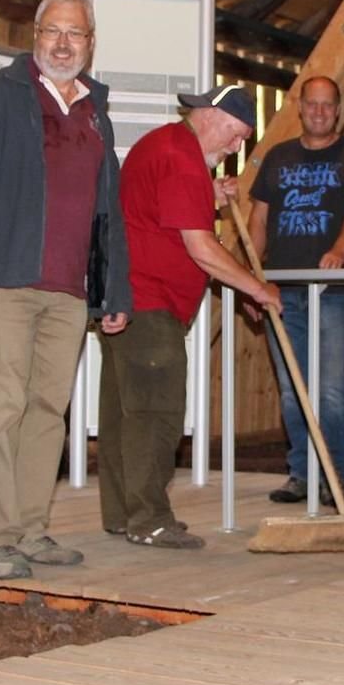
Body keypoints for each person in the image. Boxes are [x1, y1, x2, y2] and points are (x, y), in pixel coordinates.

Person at [0, 0, 130, 581]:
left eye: (76, 35)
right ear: (34, 35)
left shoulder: (96, 111)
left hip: (69, 289)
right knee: (1, 408)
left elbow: (107, 210)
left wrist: (112, 289)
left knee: (48, 410)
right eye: (53, 32)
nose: (63, 44)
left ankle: (31, 530)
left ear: (90, 45)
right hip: (6, 280)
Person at [99, 84, 281, 547]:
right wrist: (256, 289)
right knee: (156, 412)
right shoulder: (181, 160)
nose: (236, 147)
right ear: (208, 115)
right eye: (236, 135)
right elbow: (201, 249)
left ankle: (125, 515)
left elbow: (166, 207)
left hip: (126, 297)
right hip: (150, 303)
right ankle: (150, 520)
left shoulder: (169, 147)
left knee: (126, 412)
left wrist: (209, 191)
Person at [247, 75, 344, 507]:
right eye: (312, 104)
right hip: (283, 291)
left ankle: (333, 474)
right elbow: (259, 221)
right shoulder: (277, 157)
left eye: (328, 105)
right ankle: (301, 472)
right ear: (299, 107)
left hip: (334, 290)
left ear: (338, 110)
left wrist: (340, 249)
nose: (319, 112)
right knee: (291, 387)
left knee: (332, 388)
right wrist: (252, 278)